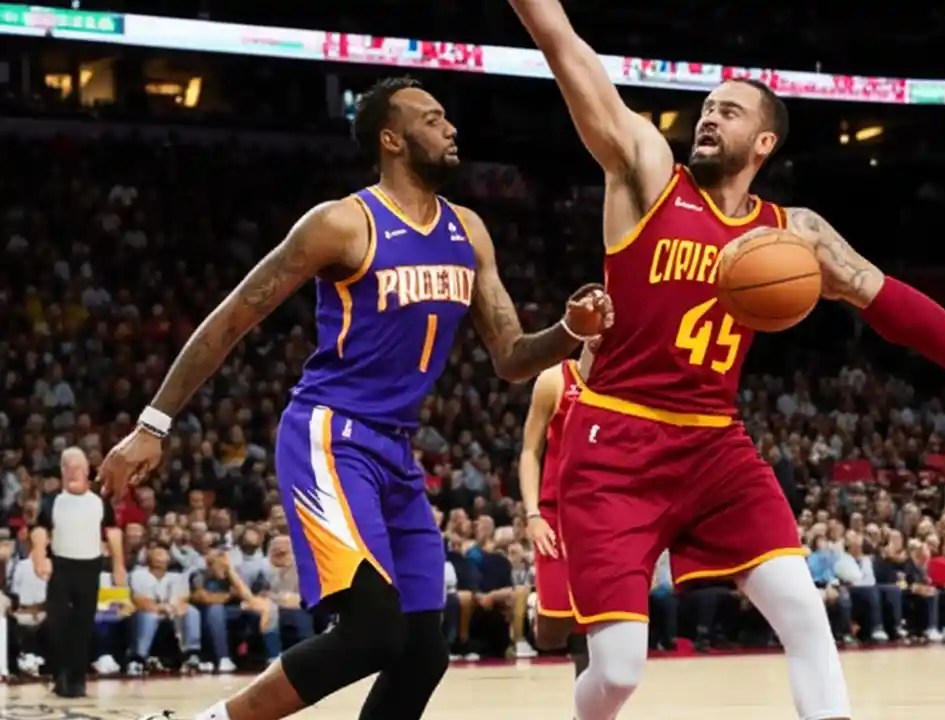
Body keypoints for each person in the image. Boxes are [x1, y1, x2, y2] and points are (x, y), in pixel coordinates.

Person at [507, 3, 945, 718]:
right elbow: (564, 46)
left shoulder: (793, 234)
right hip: (614, 445)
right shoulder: (645, 173)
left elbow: (891, 303)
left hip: (715, 444)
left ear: (762, 142)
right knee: (621, 671)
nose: (708, 118)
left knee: (802, 611)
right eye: (706, 108)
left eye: (726, 111)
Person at [98, 75, 613, 720]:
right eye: (432, 119)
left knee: (424, 650)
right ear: (392, 139)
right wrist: (153, 422)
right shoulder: (343, 222)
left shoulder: (469, 231)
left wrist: (570, 332)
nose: (450, 128)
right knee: (373, 630)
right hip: (330, 436)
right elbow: (233, 317)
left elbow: (510, 357)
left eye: (447, 117)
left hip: (396, 452)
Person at [518, 344, 594, 673]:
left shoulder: (627, 385)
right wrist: (533, 515)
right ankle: (536, 607)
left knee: (596, 626)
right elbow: (529, 451)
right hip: (555, 515)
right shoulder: (555, 379)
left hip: (604, 515)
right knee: (553, 633)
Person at [31, 446, 126, 698]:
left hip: (89, 566)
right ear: (62, 471)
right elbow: (40, 531)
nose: (72, 471)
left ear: (86, 470)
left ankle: (78, 678)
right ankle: (60, 674)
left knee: (83, 624)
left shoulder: (99, 501)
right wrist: (40, 558)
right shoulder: (52, 500)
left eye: (77, 467)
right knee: (58, 622)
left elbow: (113, 534)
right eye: (67, 466)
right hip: (61, 566)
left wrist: (119, 567)